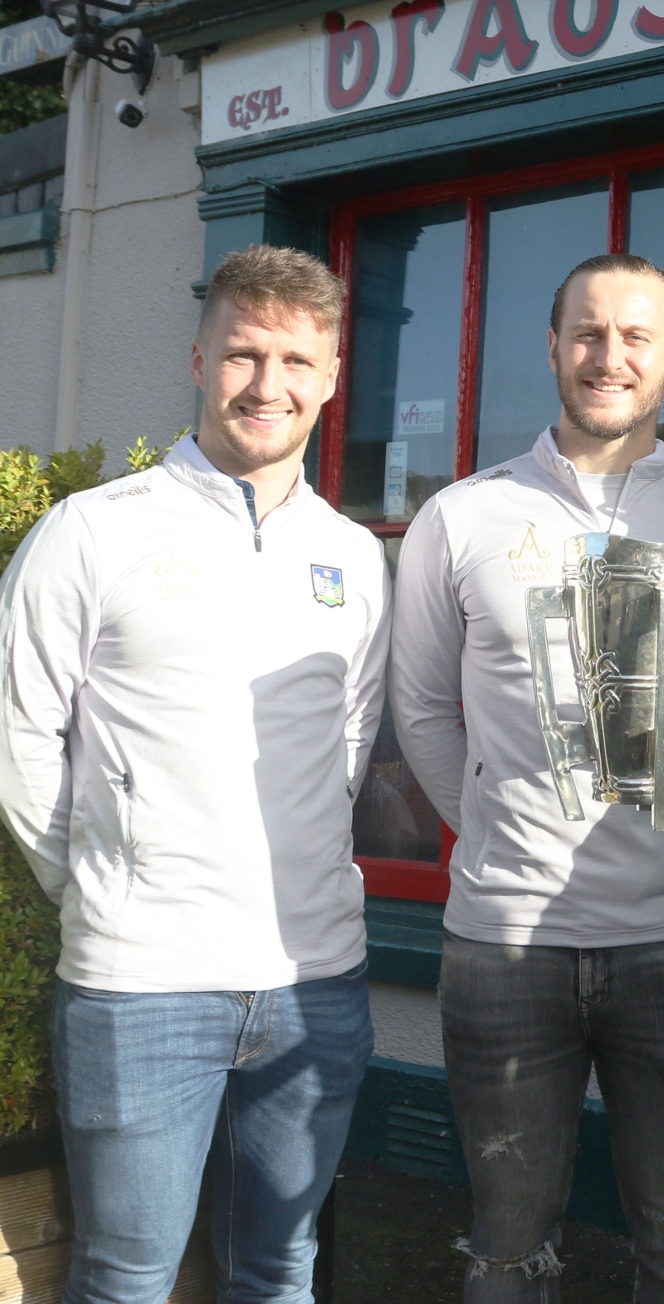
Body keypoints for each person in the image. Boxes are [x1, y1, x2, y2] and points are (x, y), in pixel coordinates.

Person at [0, 245, 388, 1304]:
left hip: (315, 981)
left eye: (297, 359)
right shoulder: (91, 532)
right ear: (199, 356)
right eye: (244, 353)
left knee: (281, 1267)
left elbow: (347, 742)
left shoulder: (353, 555)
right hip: (141, 984)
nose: (270, 384)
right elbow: (22, 740)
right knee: (126, 1275)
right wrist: (103, 884)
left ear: (333, 372)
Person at [389, 253, 664, 1304]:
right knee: (506, 1242)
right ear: (552, 346)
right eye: (587, 332)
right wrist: (498, 825)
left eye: (638, 335)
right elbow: (419, 708)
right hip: (505, 944)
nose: (611, 355)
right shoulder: (460, 516)